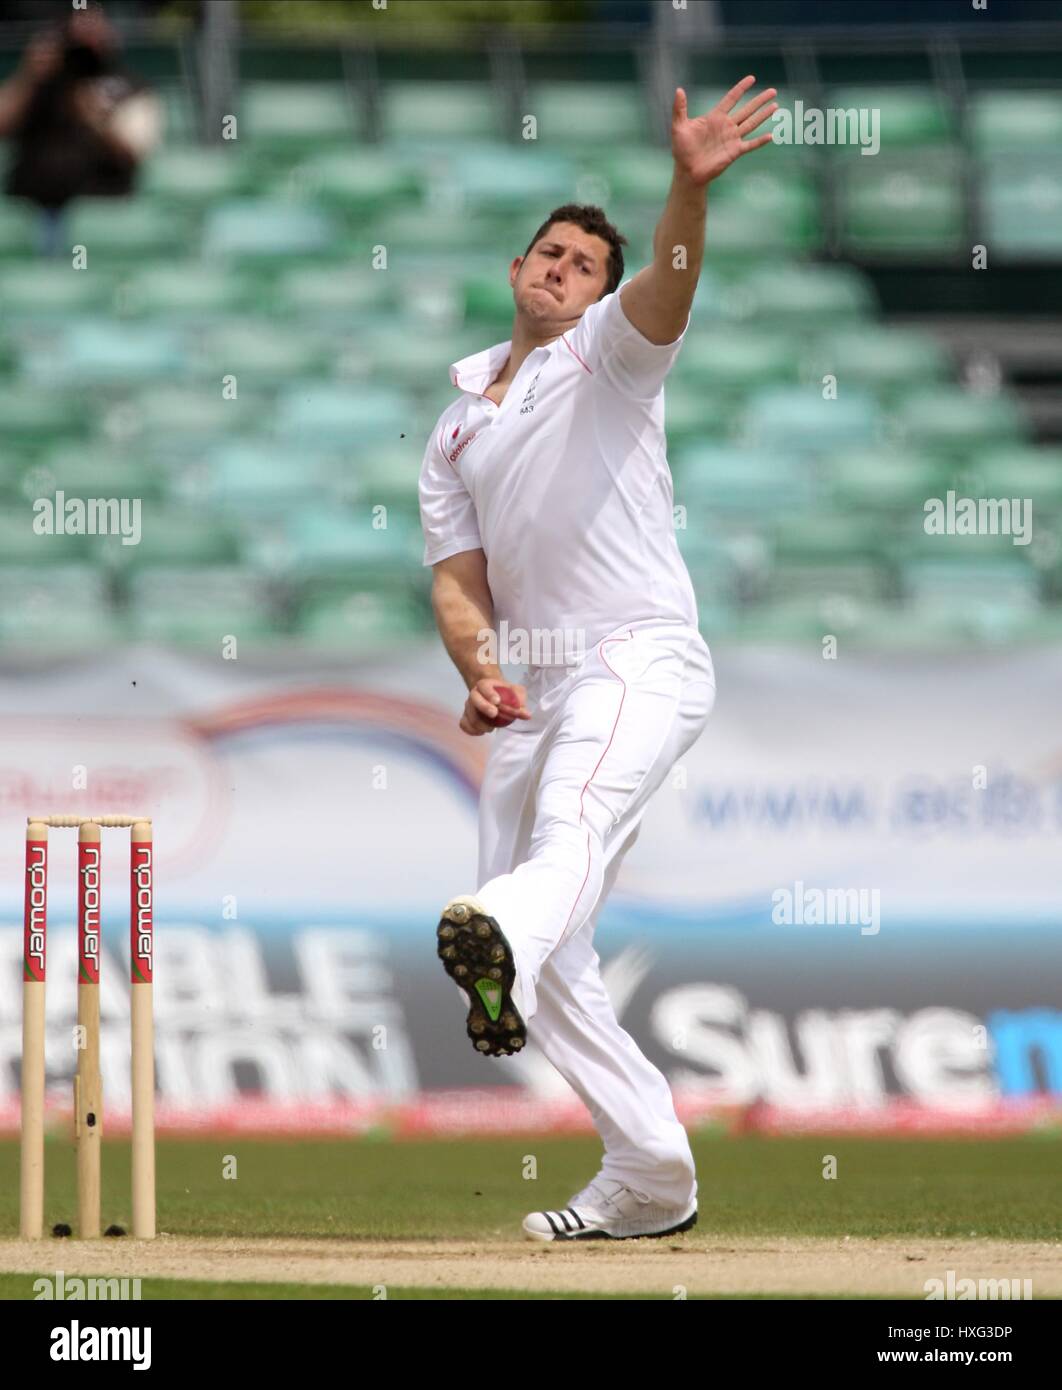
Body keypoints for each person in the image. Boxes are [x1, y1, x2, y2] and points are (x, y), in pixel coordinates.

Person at [419, 80, 776, 1241]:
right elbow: (457, 578)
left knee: (557, 853)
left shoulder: (610, 356)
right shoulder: (459, 415)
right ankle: (652, 1171)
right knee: (559, 957)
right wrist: (478, 669)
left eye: (585, 261)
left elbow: (668, 286)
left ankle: (498, 941)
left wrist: (686, 186)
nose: (565, 268)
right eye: (551, 252)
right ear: (519, 266)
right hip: (535, 688)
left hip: (638, 657)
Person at [0, 4, 162, 255]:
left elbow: (134, 149)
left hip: (102, 213)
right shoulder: (39, 82)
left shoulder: (129, 86)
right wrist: (29, 75)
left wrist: (92, 111)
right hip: (32, 210)